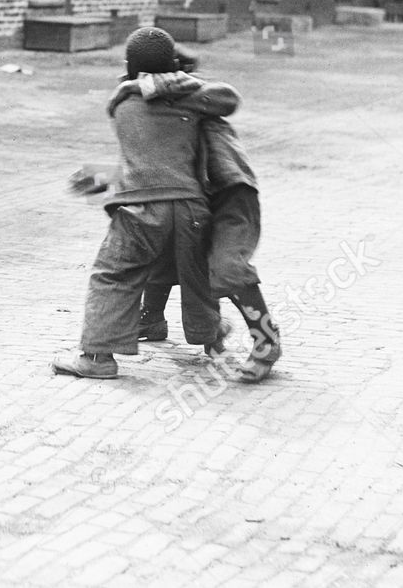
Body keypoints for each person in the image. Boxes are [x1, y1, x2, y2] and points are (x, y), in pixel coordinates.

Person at [52, 27, 240, 380]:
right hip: (191, 209)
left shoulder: (124, 103)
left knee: (113, 275)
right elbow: (228, 98)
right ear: (173, 66)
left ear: (129, 67)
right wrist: (178, 80)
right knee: (194, 272)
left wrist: (137, 85)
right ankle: (211, 344)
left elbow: (145, 163)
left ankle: (97, 359)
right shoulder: (191, 99)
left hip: (141, 210)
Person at [116, 64, 283, 382]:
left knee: (226, 268)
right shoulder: (144, 110)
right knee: (160, 245)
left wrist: (176, 85)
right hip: (194, 201)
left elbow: (226, 97)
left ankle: (266, 340)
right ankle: (153, 318)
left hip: (231, 196)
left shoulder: (187, 98)